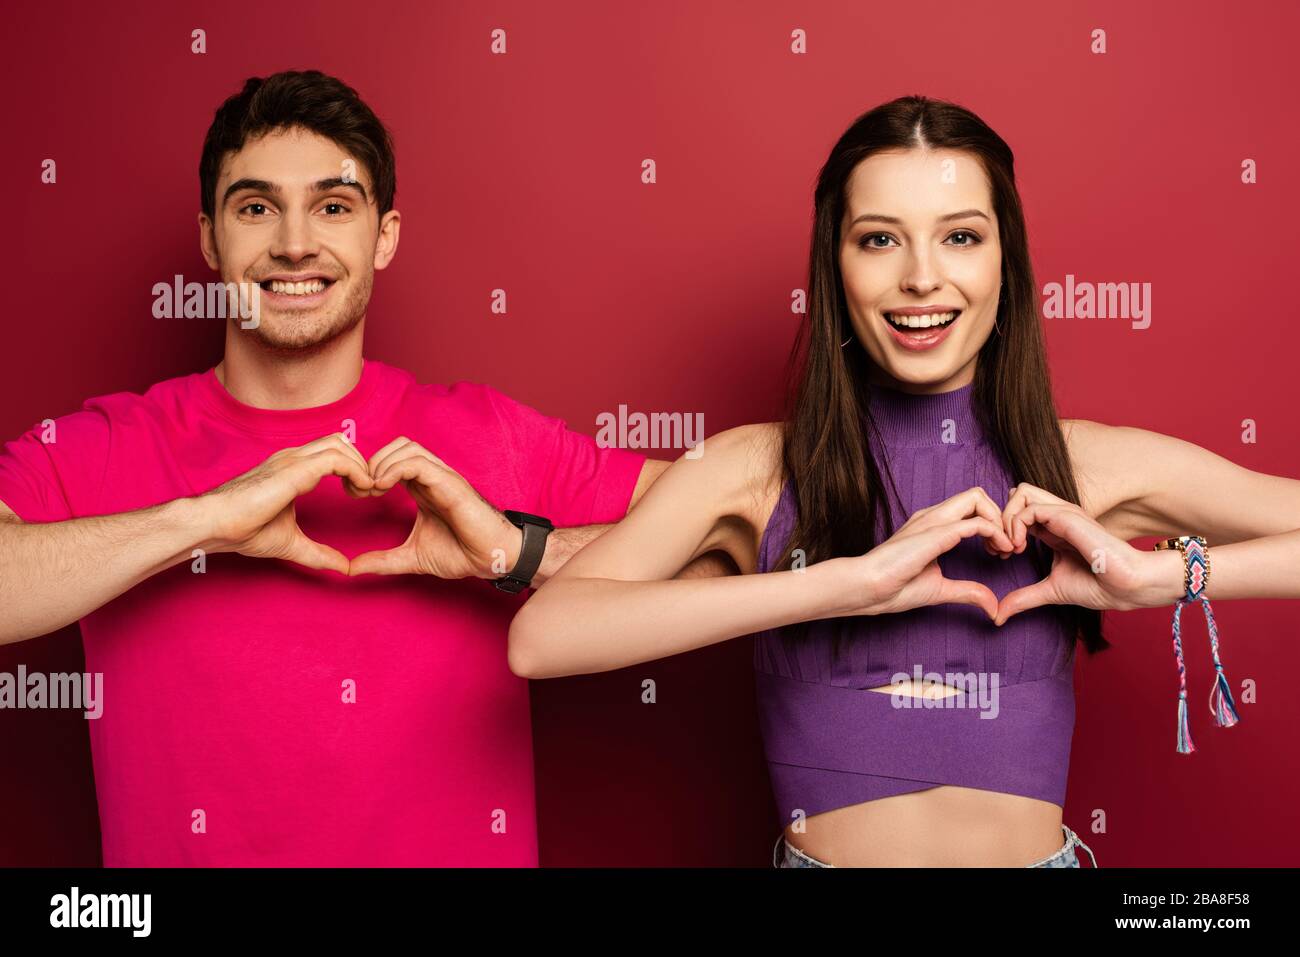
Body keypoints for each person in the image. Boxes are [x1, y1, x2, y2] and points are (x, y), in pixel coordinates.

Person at [508, 94, 1300, 867]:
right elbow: (544, 637)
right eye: (880, 239)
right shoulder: (751, 466)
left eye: (960, 236)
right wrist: (840, 586)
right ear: (834, 263)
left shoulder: (1082, 463)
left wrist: (1161, 575)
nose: (922, 278)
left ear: (1005, 262)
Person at [0, 69, 726, 866]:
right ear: (210, 237)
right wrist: (202, 520)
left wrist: (516, 551)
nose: (294, 243)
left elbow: (743, 532)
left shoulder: (490, 435)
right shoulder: (105, 443)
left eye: (334, 206)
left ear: (384, 235)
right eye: (255, 207)